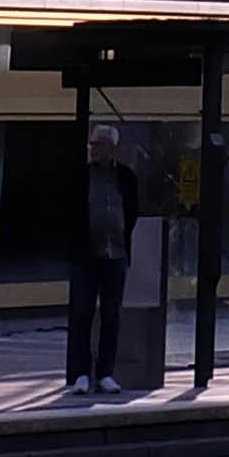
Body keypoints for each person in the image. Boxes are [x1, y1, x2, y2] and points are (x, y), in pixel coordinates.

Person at [67, 124, 139, 399]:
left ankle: (106, 371)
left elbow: (131, 210)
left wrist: (121, 236)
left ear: (111, 147)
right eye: (91, 144)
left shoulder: (126, 177)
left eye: (98, 144)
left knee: (112, 315)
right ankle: (81, 373)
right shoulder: (80, 177)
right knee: (82, 314)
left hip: (116, 254)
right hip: (85, 256)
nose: (92, 149)